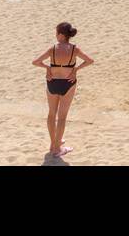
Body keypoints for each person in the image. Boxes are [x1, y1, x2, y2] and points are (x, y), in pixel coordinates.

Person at [32, 22, 93, 159]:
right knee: (62, 116)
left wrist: (47, 68)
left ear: (61, 35)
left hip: (52, 82)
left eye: (56, 32)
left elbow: (35, 62)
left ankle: (53, 143)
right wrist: (75, 70)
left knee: (51, 114)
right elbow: (90, 61)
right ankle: (57, 148)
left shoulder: (52, 49)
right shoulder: (74, 49)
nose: (55, 35)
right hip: (68, 83)